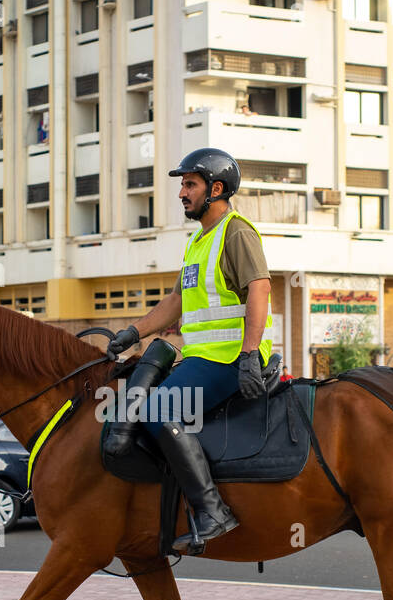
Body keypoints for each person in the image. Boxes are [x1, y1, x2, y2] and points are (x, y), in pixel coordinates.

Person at [103, 147, 273, 554]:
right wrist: (133, 332)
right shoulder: (198, 241)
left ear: (216, 189)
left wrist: (250, 355)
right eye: (182, 184)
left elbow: (260, 288)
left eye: (190, 184)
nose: (182, 192)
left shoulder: (236, 231)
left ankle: (213, 511)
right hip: (204, 357)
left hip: (231, 358)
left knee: (160, 408)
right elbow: (176, 302)